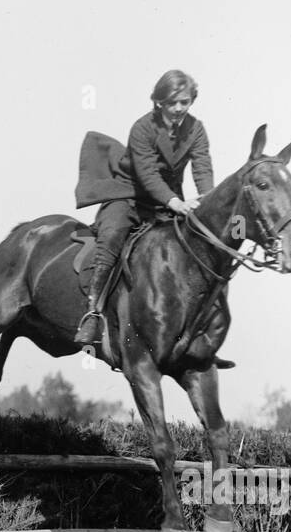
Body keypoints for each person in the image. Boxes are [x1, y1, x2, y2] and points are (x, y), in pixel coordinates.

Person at [73, 69, 215, 346]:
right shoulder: (142, 128)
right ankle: (92, 313)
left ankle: (198, 333)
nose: (178, 109)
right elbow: (148, 174)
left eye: (184, 102)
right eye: (172, 102)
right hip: (129, 196)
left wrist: (206, 198)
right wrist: (175, 202)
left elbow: (202, 167)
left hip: (167, 204)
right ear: (159, 102)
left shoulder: (196, 129)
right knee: (112, 236)